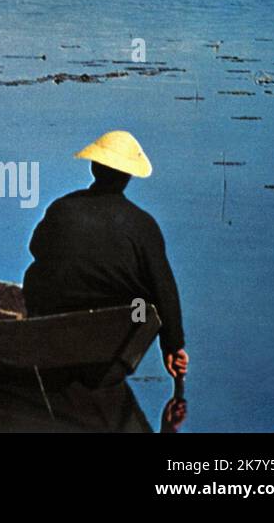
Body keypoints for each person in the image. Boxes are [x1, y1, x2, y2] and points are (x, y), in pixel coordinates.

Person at [23, 131, 189, 381]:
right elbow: (164, 290)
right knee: (146, 303)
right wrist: (173, 346)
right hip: (120, 323)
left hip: (54, 314)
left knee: (34, 274)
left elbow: (36, 248)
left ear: (93, 167)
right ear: (128, 176)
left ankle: (39, 335)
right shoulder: (143, 224)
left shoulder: (62, 207)